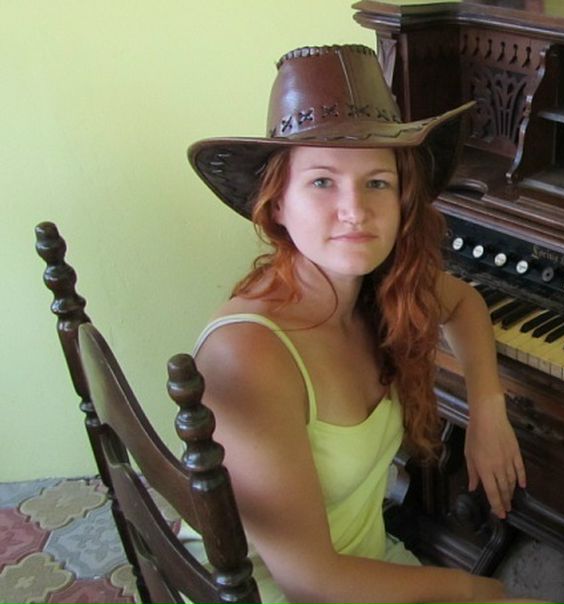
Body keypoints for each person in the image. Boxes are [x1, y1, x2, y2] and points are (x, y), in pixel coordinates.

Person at [186, 44, 530, 604]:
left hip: (359, 562)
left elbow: (464, 302)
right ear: (277, 204)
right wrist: (475, 591)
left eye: (377, 183)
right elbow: (312, 582)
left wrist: (488, 411)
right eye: (323, 182)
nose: (356, 211)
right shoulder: (248, 354)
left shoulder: (374, 286)